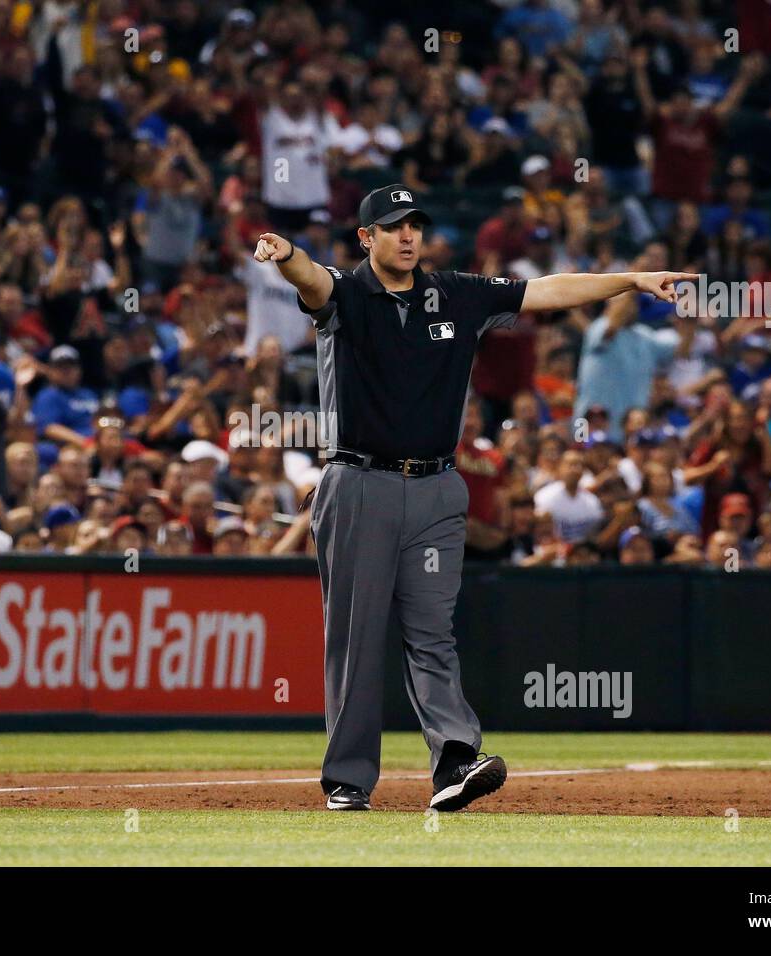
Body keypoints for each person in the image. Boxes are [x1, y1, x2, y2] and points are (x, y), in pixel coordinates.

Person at [255, 182, 695, 812]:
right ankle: (349, 781)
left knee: (434, 633)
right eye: (394, 226)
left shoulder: (455, 294)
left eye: (415, 226)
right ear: (367, 237)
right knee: (356, 636)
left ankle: (456, 759)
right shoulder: (349, 293)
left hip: (437, 486)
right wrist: (286, 250)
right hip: (359, 482)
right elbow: (312, 283)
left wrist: (629, 279)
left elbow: (546, 290)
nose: (408, 236)